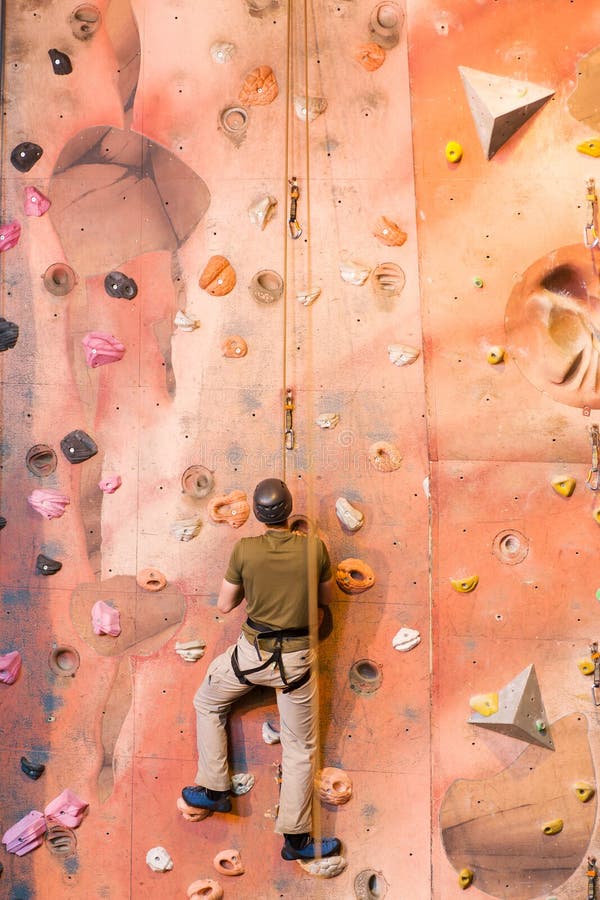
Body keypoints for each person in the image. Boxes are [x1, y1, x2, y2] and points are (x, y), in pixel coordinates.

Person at [181, 478, 341, 861]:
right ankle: (296, 839)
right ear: (288, 512)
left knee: (207, 703)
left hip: (251, 657)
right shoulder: (314, 549)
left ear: (256, 513)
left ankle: (215, 788)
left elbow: (224, 605)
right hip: (297, 663)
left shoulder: (245, 550)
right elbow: (325, 601)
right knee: (300, 747)